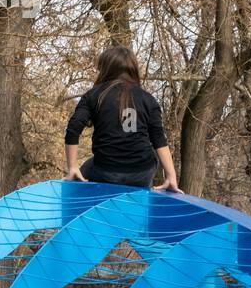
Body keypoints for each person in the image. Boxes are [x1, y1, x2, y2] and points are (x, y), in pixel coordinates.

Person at [64, 45, 180, 190]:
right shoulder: (148, 99)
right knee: (149, 156)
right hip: (142, 172)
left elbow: (73, 129)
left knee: (81, 175)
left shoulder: (94, 95)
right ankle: (142, 195)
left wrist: (73, 167)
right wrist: (171, 177)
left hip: (106, 172)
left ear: (105, 69)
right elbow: (159, 138)